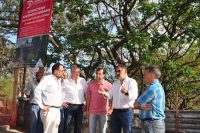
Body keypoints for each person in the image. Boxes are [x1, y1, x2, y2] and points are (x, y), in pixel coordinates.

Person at [98, 64, 138, 133]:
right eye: (116, 71)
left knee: (127, 131)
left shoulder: (132, 82)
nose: (117, 73)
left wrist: (126, 93)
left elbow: (134, 96)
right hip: (115, 113)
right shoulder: (115, 83)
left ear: (125, 71)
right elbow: (110, 95)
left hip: (126, 112)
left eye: (119, 71)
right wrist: (104, 94)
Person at [34, 63, 64, 133]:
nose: (63, 72)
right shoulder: (47, 79)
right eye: (62, 70)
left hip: (57, 110)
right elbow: (37, 90)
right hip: (49, 110)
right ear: (56, 71)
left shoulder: (59, 80)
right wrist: (41, 106)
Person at [134, 65, 165, 133]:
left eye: (145, 74)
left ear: (152, 75)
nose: (144, 76)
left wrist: (140, 107)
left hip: (151, 124)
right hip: (154, 124)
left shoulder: (152, 88)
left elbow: (135, 105)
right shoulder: (158, 87)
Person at [62, 65, 87, 133]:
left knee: (78, 127)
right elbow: (60, 92)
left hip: (80, 107)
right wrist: (62, 102)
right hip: (69, 107)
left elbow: (87, 93)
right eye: (76, 72)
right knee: (67, 127)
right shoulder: (65, 81)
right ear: (71, 72)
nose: (78, 73)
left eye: (79, 72)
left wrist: (86, 103)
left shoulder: (83, 80)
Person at [86, 68, 112, 133]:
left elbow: (113, 97)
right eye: (97, 74)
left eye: (100, 74)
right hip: (92, 111)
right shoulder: (91, 84)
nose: (98, 75)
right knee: (91, 131)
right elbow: (88, 97)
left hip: (103, 112)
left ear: (103, 75)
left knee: (102, 131)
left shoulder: (108, 85)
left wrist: (111, 108)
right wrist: (87, 109)